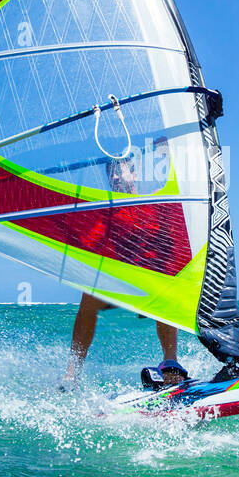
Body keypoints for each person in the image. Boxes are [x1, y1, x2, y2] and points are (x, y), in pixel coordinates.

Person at [61, 147, 188, 390]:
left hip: (154, 280)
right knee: (89, 296)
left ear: (135, 172)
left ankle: (170, 362)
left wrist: (169, 151)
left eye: (120, 171)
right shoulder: (109, 211)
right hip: (121, 282)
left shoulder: (155, 202)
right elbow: (91, 242)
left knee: (168, 288)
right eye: (111, 174)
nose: (115, 178)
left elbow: (178, 233)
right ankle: (72, 372)